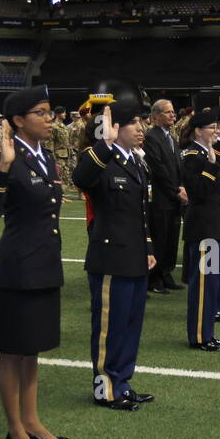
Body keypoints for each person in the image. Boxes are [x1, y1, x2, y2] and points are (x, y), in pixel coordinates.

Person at [0, 86, 68, 439]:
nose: (49, 119)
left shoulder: (45, 156)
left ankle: (31, 419)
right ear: (18, 121)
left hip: (44, 263)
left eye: (49, 112)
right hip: (17, 268)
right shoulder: (8, 157)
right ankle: (14, 428)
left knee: (33, 350)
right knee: (13, 351)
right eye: (40, 113)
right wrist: (2, 168)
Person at [72, 97, 156, 410]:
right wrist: (104, 143)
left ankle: (122, 382)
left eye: (141, 122)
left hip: (134, 255)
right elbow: (80, 179)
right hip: (110, 257)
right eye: (134, 122)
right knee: (109, 326)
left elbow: (141, 212)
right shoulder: (98, 158)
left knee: (131, 324)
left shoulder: (136, 160)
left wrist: (148, 247)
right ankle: (105, 387)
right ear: (115, 127)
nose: (141, 128)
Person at [181, 108, 220, 351]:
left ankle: (208, 333)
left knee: (212, 284)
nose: (216, 131)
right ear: (199, 130)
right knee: (202, 286)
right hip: (203, 229)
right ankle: (200, 336)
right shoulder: (193, 156)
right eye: (212, 127)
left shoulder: (208, 152)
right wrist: (212, 166)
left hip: (216, 226)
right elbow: (198, 192)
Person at [142, 99, 184, 294]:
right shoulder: (152, 137)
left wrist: (182, 187)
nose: (173, 116)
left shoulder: (171, 137)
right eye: (168, 112)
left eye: (173, 112)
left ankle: (166, 273)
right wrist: (176, 191)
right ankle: (155, 278)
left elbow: (177, 167)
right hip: (161, 198)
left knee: (171, 239)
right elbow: (158, 170)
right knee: (160, 238)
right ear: (156, 116)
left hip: (174, 197)